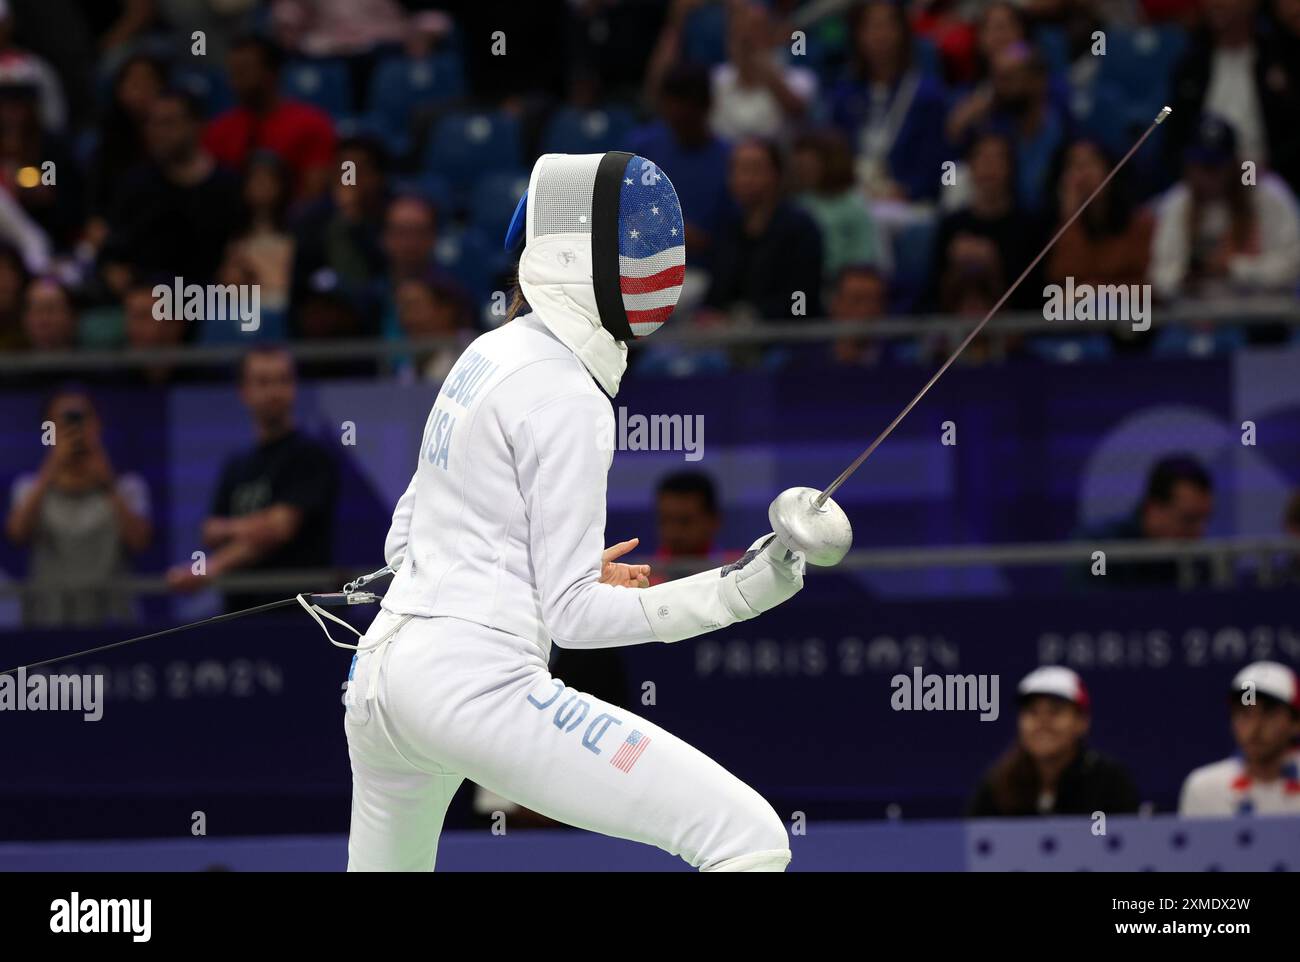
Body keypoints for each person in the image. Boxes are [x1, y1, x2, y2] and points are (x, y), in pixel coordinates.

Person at [343, 151, 807, 872]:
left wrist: (539, 571)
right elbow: (574, 618)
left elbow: (406, 543)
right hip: (472, 686)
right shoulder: (568, 393)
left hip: (378, 682)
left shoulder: (485, 354)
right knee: (749, 839)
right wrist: (736, 593)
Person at [167, 345, 339, 611]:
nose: (274, 392)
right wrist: (256, 526)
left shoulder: (311, 456)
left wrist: (213, 565)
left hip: (298, 613)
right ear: (244, 391)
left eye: (283, 380)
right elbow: (209, 532)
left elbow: (278, 530)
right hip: (239, 612)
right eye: (263, 382)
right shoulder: (237, 465)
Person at [5, 386, 153, 627]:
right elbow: (17, 534)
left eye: (81, 419)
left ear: (98, 425)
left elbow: (140, 541)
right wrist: (51, 468)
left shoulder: (128, 486)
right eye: (62, 421)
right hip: (48, 621)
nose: (73, 429)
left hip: (113, 619)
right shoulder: (28, 487)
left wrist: (108, 483)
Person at [1150, 114, 1300, 303]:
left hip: (1262, 312)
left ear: (1233, 164)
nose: (1208, 176)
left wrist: (1233, 269)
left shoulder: (1267, 194)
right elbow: (1160, 277)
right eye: (1201, 166)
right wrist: (1186, 278)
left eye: (1215, 167)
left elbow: (1293, 266)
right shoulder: (1178, 201)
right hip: (1198, 313)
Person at [969, 666, 1141, 817]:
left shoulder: (1109, 783)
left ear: (1082, 722)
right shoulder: (998, 784)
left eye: (1055, 711)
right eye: (1032, 712)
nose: (1042, 723)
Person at [827, 0, 951, 202]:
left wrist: (910, 191)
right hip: (854, 198)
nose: (880, 35)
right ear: (858, 35)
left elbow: (938, 159)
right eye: (872, 27)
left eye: (887, 26)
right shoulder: (844, 93)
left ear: (902, 33)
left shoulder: (927, 95)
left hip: (908, 203)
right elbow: (835, 154)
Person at [702, 137, 824, 322]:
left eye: (754, 169)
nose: (744, 178)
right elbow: (716, 294)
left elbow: (801, 301)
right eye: (738, 170)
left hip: (785, 332)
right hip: (727, 333)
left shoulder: (801, 229)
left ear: (777, 175)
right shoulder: (727, 228)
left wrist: (748, 318)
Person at [203, 33, 337, 200]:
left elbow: (314, 193)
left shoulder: (311, 124)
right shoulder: (220, 129)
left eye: (244, 71)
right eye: (233, 72)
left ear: (272, 72)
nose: (235, 81)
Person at [1071, 454, 1215, 589]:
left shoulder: (1201, 564)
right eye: (1189, 519)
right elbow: (1092, 599)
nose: (1199, 530)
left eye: (1204, 519)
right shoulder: (1099, 550)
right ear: (1153, 508)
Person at [1179, 661, 1300, 816]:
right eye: (1244, 714)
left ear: (1295, 722)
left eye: (1269, 714)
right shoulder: (1204, 787)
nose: (1254, 728)